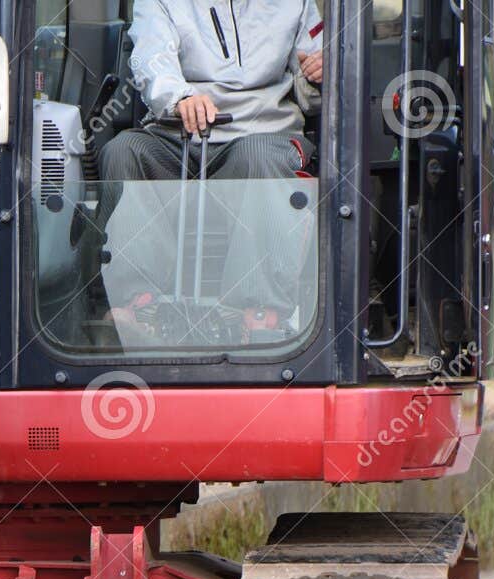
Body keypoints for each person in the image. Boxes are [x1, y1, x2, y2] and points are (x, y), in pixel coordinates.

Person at [96, 0, 324, 341]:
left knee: (258, 154)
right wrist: (178, 96)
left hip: (262, 132)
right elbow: (152, 55)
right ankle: (138, 304)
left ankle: (256, 312)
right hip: (180, 131)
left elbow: (313, 93)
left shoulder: (297, 4)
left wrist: (320, 75)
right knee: (124, 150)